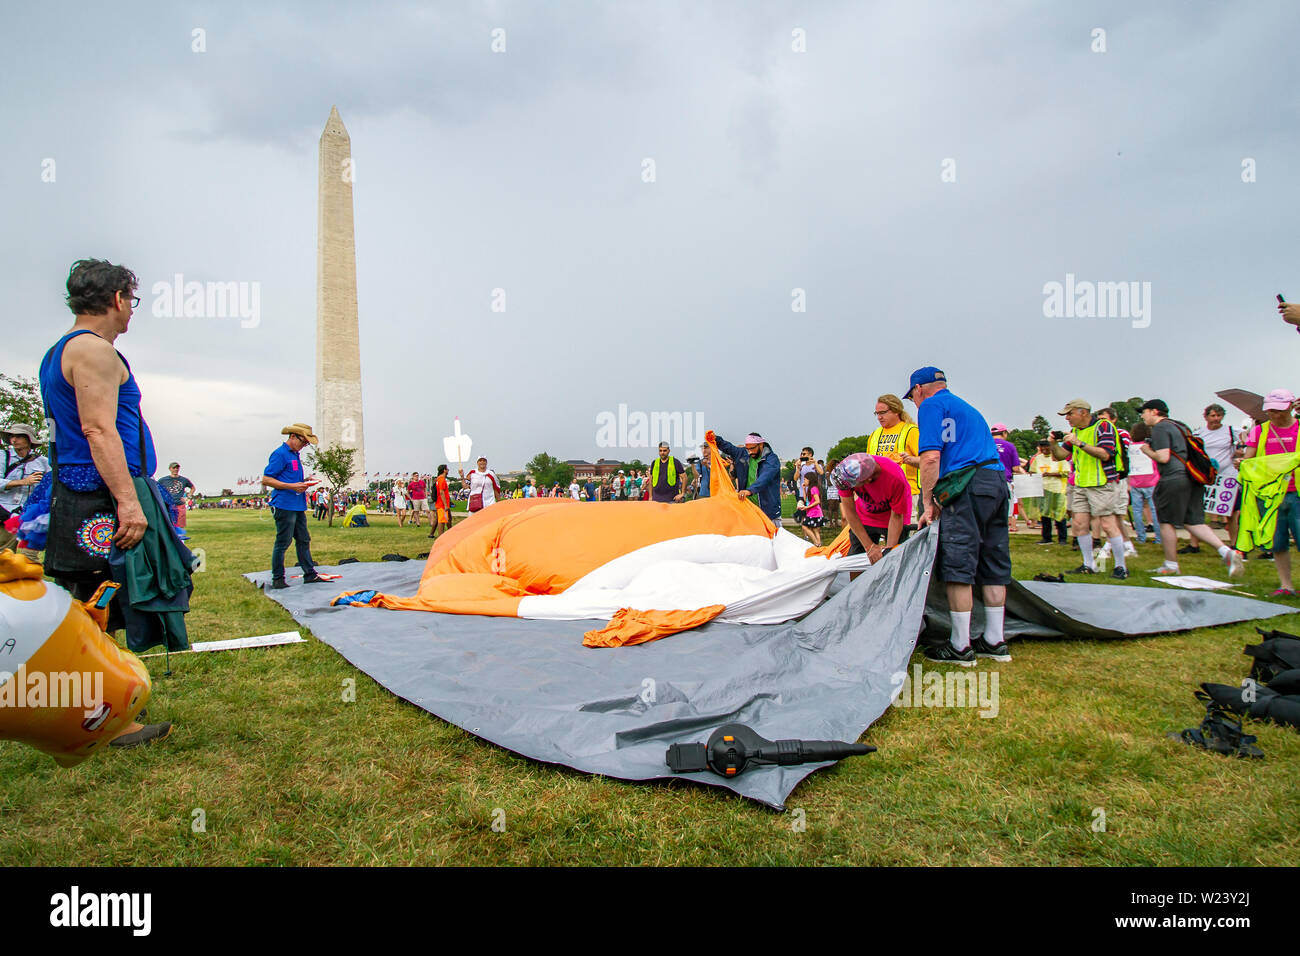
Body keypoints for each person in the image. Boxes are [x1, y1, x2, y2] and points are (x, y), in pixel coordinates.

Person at [36, 258, 175, 748]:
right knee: (101, 604)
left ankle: (91, 707)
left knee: (90, 607)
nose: (131, 313)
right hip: (97, 499)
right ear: (117, 299)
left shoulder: (60, 350)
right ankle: (109, 719)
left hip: (80, 491)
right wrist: (128, 503)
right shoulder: (93, 351)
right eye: (131, 302)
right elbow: (99, 429)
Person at [906, 366, 1011, 665]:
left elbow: (930, 457)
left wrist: (928, 502)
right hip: (995, 482)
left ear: (918, 389)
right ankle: (994, 639)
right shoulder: (968, 408)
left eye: (912, 396)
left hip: (966, 486)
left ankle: (961, 646)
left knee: (959, 563)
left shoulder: (930, 406)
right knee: (993, 561)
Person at [1141, 399, 1244, 578]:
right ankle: (1226, 552)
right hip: (1193, 476)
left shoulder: (1160, 428)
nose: (1142, 416)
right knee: (1194, 521)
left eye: (1144, 412)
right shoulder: (1181, 426)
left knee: (1166, 522)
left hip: (1173, 478)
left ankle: (1170, 564)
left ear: (1154, 412)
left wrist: (1146, 450)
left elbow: (1163, 457)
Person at [1049, 399, 1129, 577]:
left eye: (1070, 414)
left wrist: (1080, 443)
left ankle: (1121, 566)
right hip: (1081, 482)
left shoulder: (1104, 427)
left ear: (1083, 412)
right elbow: (1062, 455)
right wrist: (1053, 444)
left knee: (1108, 524)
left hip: (1102, 482)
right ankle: (1088, 564)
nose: (1067, 418)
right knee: (1079, 524)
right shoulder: (1076, 431)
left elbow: (1106, 454)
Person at [1240, 390, 1300, 594]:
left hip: (1297, 493)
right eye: (1271, 410)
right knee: (1277, 541)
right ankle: (1286, 585)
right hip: (1270, 496)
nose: (1274, 414)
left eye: (1279, 410)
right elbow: (1249, 458)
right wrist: (1243, 463)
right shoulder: (1260, 431)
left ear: (1291, 406)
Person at [262, 423, 328, 589]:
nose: (304, 445)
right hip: (284, 504)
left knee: (303, 539)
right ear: (292, 437)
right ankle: (278, 579)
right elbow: (267, 479)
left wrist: (304, 482)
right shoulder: (280, 454)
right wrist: (293, 486)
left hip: (297, 505)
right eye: (303, 441)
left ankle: (310, 574)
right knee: (283, 542)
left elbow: (290, 479)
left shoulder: (295, 455)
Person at [830, 453, 911, 563]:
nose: (850, 489)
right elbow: (850, 513)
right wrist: (869, 547)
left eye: (853, 486)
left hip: (893, 517)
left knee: (894, 559)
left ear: (867, 480)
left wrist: (889, 550)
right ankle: (858, 581)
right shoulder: (847, 472)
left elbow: (896, 516)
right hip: (865, 515)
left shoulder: (895, 477)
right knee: (856, 560)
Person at [1195, 403, 1241, 553]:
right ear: (1206, 417)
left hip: (1227, 476)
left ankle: (1234, 544)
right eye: (1213, 415)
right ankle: (1194, 544)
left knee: (1232, 513)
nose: (1216, 419)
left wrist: (1239, 451)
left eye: (1219, 415)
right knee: (1197, 511)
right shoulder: (1200, 433)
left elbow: (1245, 442)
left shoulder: (1230, 431)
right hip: (1207, 476)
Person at [711, 431, 782, 526]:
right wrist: (715, 439)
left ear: (761, 444)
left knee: (773, 539)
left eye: (752, 448)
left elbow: (766, 477)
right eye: (748, 449)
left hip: (768, 510)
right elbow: (728, 447)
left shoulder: (772, 459)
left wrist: (750, 490)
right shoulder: (743, 454)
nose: (750, 452)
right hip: (749, 508)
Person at [868, 396, 921, 521]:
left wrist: (909, 459)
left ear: (896, 411)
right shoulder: (875, 434)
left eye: (883, 413)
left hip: (907, 492)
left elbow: (926, 460)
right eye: (877, 413)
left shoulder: (911, 431)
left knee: (907, 534)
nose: (879, 417)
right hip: (880, 494)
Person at [0, 423, 49, 559]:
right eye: (11, 436)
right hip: (4, 511)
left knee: (29, 558)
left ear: (29, 439)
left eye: (18, 436)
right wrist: (23, 482)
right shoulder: (3, 456)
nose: (13, 440)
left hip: (28, 514)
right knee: (4, 555)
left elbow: (50, 486)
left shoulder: (43, 462)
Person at [1126, 420, 1162, 547]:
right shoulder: (1150, 446)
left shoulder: (1130, 448)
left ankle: (1141, 537)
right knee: (1154, 510)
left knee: (1136, 510)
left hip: (1135, 482)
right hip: (1152, 481)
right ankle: (1159, 537)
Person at [991, 424, 1026, 533]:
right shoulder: (1010, 446)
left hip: (986, 480)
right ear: (1004, 433)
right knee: (1005, 510)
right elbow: (1015, 468)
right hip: (1004, 480)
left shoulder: (985, 444)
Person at [156, 462, 195, 530]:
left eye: (177, 468)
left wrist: (188, 497)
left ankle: (180, 539)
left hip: (180, 504)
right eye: (174, 468)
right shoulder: (163, 480)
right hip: (168, 505)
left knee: (180, 526)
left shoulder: (184, 480)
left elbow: (193, 488)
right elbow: (156, 488)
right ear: (170, 469)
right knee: (168, 525)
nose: (176, 469)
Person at [794, 464, 824, 546]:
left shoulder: (813, 488)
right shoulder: (810, 489)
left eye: (806, 479)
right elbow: (805, 499)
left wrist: (807, 507)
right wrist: (803, 489)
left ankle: (816, 542)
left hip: (814, 513)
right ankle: (819, 544)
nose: (804, 481)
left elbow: (817, 501)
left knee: (804, 526)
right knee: (814, 529)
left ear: (810, 480)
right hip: (812, 512)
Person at [430, 465, 452, 538]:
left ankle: (433, 534)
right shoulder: (441, 479)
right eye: (447, 469)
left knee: (446, 519)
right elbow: (441, 492)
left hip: (440, 503)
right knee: (441, 521)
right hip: (441, 504)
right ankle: (441, 537)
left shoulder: (438, 479)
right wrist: (445, 505)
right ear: (444, 470)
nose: (448, 470)